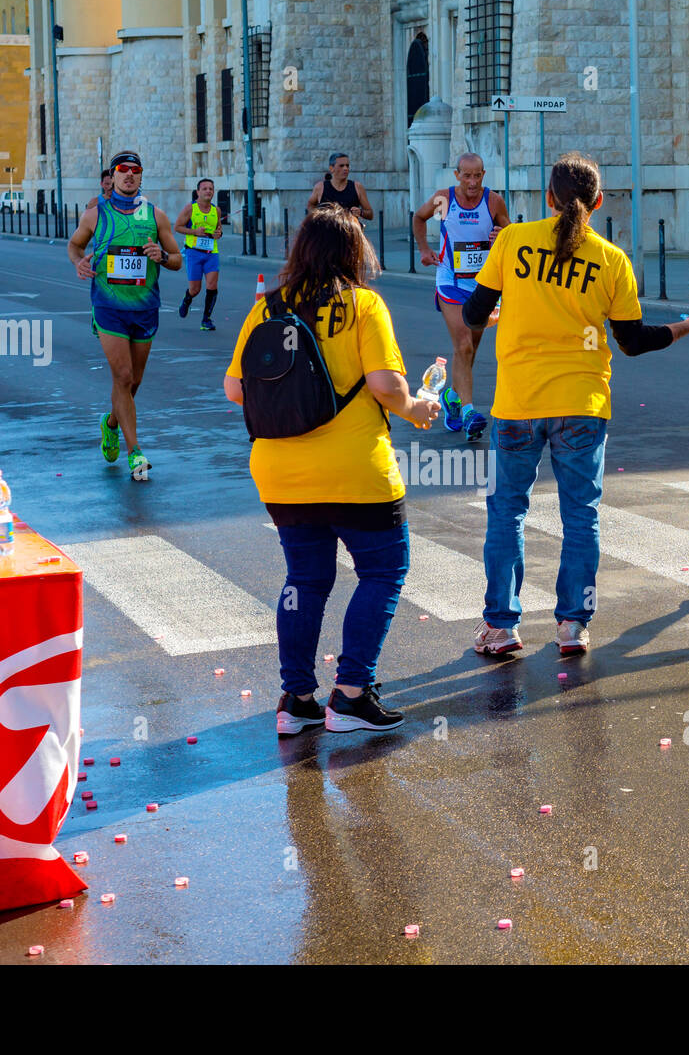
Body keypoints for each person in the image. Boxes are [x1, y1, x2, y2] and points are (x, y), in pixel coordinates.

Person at [465, 153, 689, 657]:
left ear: (547, 198)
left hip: (517, 403)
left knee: (507, 512)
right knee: (580, 515)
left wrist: (507, 313)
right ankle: (571, 627)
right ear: (599, 202)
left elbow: (474, 314)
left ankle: (500, 626)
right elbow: (630, 340)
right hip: (583, 405)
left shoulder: (514, 240)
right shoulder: (612, 259)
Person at [224, 204, 438, 735]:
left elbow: (235, 389)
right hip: (354, 470)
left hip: (280, 471)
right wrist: (418, 409)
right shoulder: (363, 304)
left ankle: (296, 699)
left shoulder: (268, 307)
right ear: (353, 253)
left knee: (305, 579)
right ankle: (350, 695)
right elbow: (387, 386)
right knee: (383, 572)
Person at [67, 151, 182, 481]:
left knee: (135, 381)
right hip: (108, 306)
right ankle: (135, 453)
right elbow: (74, 246)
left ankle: (112, 423)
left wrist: (162, 256)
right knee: (122, 374)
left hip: (144, 307)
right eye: (123, 170)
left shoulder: (155, 215)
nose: (129, 175)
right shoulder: (95, 214)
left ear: (141, 177)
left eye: (135, 170)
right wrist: (79, 262)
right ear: (113, 176)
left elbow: (177, 259)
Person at [413, 153, 510, 441]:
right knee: (464, 345)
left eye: (477, 175)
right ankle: (469, 413)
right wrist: (423, 250)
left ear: (483, 174)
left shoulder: (493, 201)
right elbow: (419, 217)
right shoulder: (444, 199)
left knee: (470, 349)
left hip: (484, 284)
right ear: (456, 175)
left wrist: (500, 235)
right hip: (450, 281)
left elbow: (511, 233)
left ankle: (452, 397)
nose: (472, 182)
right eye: (466, 176)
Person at [173, 178, 223, 331]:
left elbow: (219, 229)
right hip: (194, 252)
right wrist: (195, 232)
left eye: (211, 189)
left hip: (211, 253)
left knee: (212, 285)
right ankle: (187, 299)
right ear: (198, 192)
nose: (208, 191)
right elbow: (177, 227)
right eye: (205, 188)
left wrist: (218, 234)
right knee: (195, 289)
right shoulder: (190, 209)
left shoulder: (217, 210)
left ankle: (206, 319)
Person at [305, 153, 373, 222]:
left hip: (350, 231)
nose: (345, 168)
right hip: (325, 231)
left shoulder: (357, 187)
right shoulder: (320, 187)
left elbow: (370, 214)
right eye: (341, 166)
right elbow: (310, 205)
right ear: (331, 168)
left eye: (347, 165)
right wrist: (318, 215)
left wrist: (360, 212)